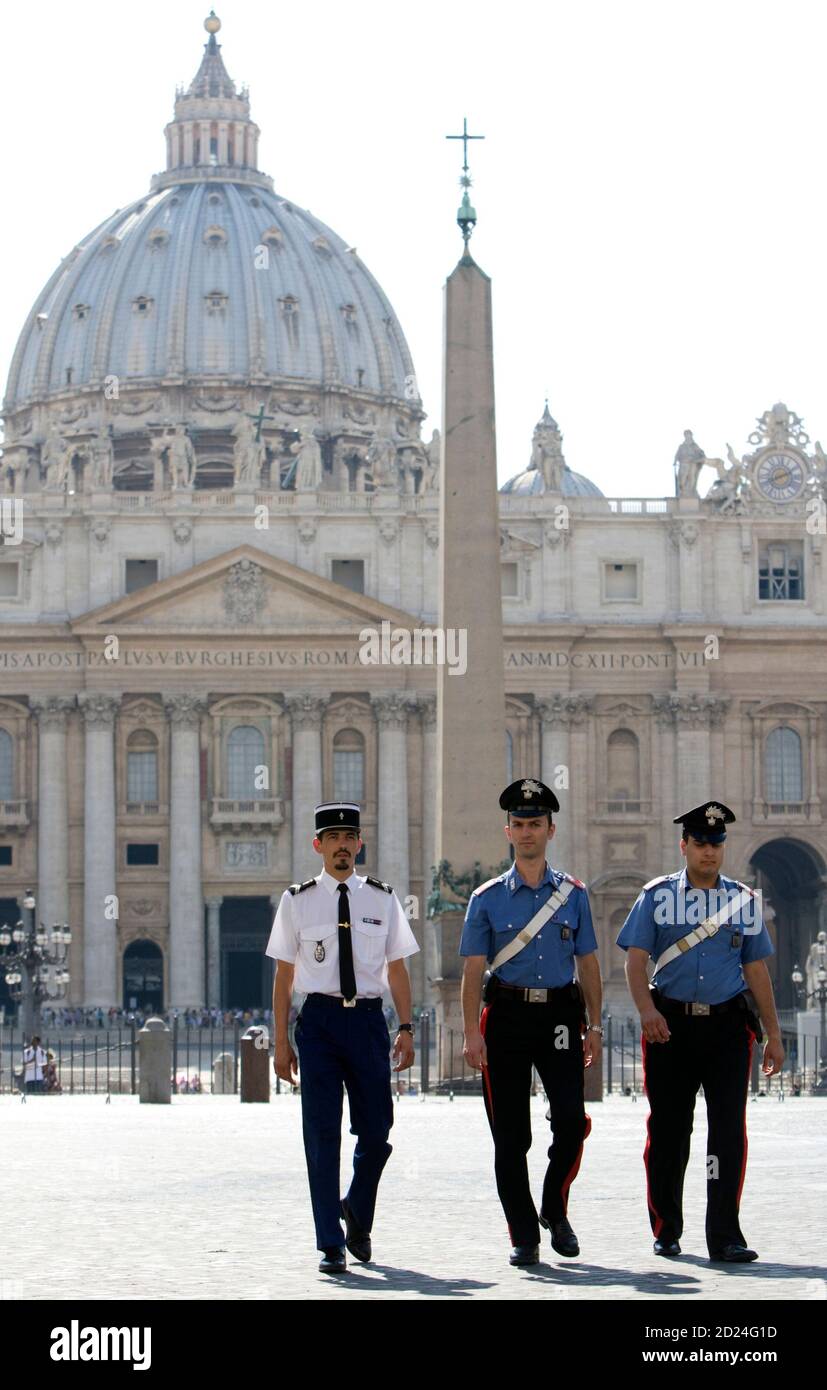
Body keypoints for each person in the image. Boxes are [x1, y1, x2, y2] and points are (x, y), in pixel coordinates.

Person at [616, 800, 784, 1263]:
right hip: (670, 1027)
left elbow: (757, 969)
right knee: (670, 1131)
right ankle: (666, 1226)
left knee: (728, 1132)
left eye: (716, 844)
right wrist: (647, 1011)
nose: (709, 852)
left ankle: (725, 1233)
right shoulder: (655, 896)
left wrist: (773, 1032)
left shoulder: (744, 901)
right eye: (701, 844)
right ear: (684, 846)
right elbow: (634, 960)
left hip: (728, 1028)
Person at [267, 800, 419, 1274]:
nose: (341, 847)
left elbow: (397, 969)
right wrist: (279, 1041)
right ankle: (330, 1243)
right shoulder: (297, 900)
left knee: (377, 1131)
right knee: (321, 1133)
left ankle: (355, 1205)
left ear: (359, 843)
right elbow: (283, 976)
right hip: (318, 1024)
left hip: (369, 1022)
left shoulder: (382, 897)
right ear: (318, 845)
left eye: (348, 838)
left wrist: (407, 1027)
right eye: (331, 839)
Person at [461, 778, 602, 1268]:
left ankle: (554, 1206)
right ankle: (524, 1232)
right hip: (506, 1015)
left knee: (571, 1122)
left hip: (561, 1013)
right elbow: (473, 971)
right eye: (519, 825)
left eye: (535, 825)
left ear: (550, 830)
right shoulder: (485, 898)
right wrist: (471, 1032)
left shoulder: (575, 895)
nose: (527, 833)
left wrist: (596, 1024)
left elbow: (588, 964)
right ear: (508, 831)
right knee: (510, 1136)